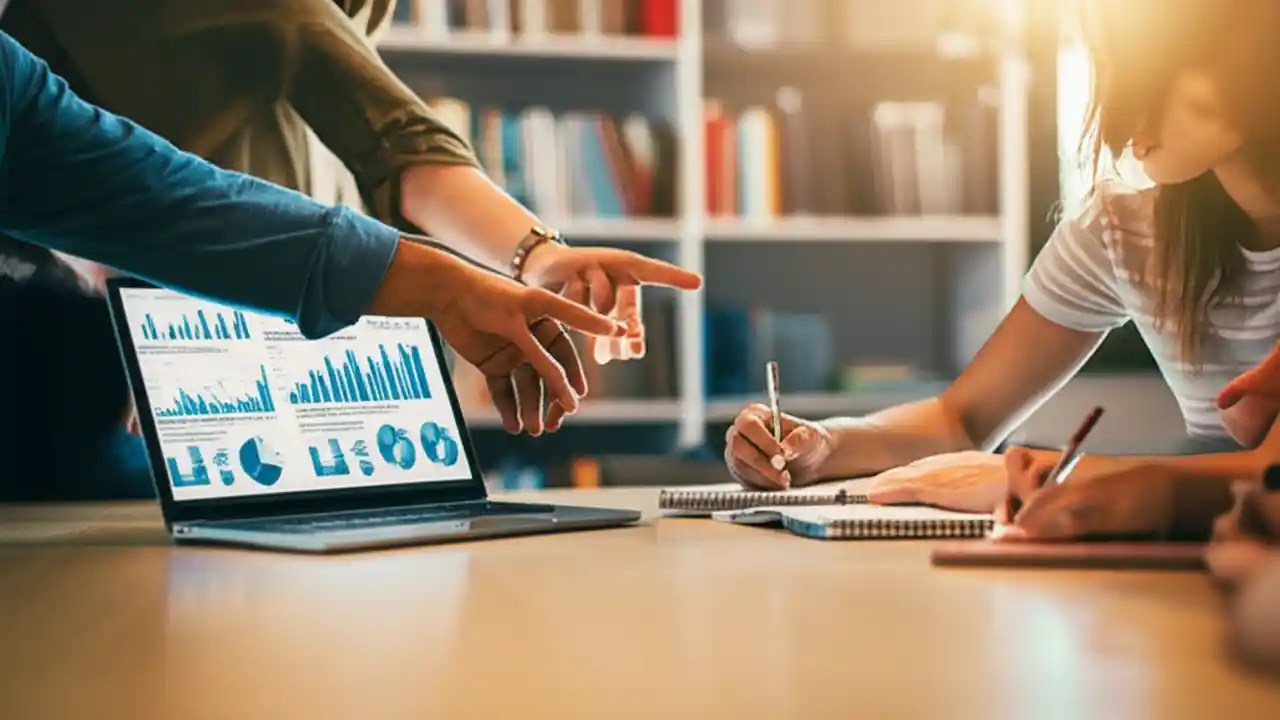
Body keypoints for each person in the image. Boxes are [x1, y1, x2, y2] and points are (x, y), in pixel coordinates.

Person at [0, 1, 701, 499]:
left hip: (312, 292)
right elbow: (399, 142)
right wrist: (530, 257)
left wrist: (525, 262)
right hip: (187, 323)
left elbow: (385, 152)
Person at [723, 0, 1280, 521]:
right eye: (1106, 65)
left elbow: (1267, 473)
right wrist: (825, 444)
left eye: (1153, 70)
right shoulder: (1125, 232)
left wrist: (1045, 476)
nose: (1121, 105)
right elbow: (961, 418)